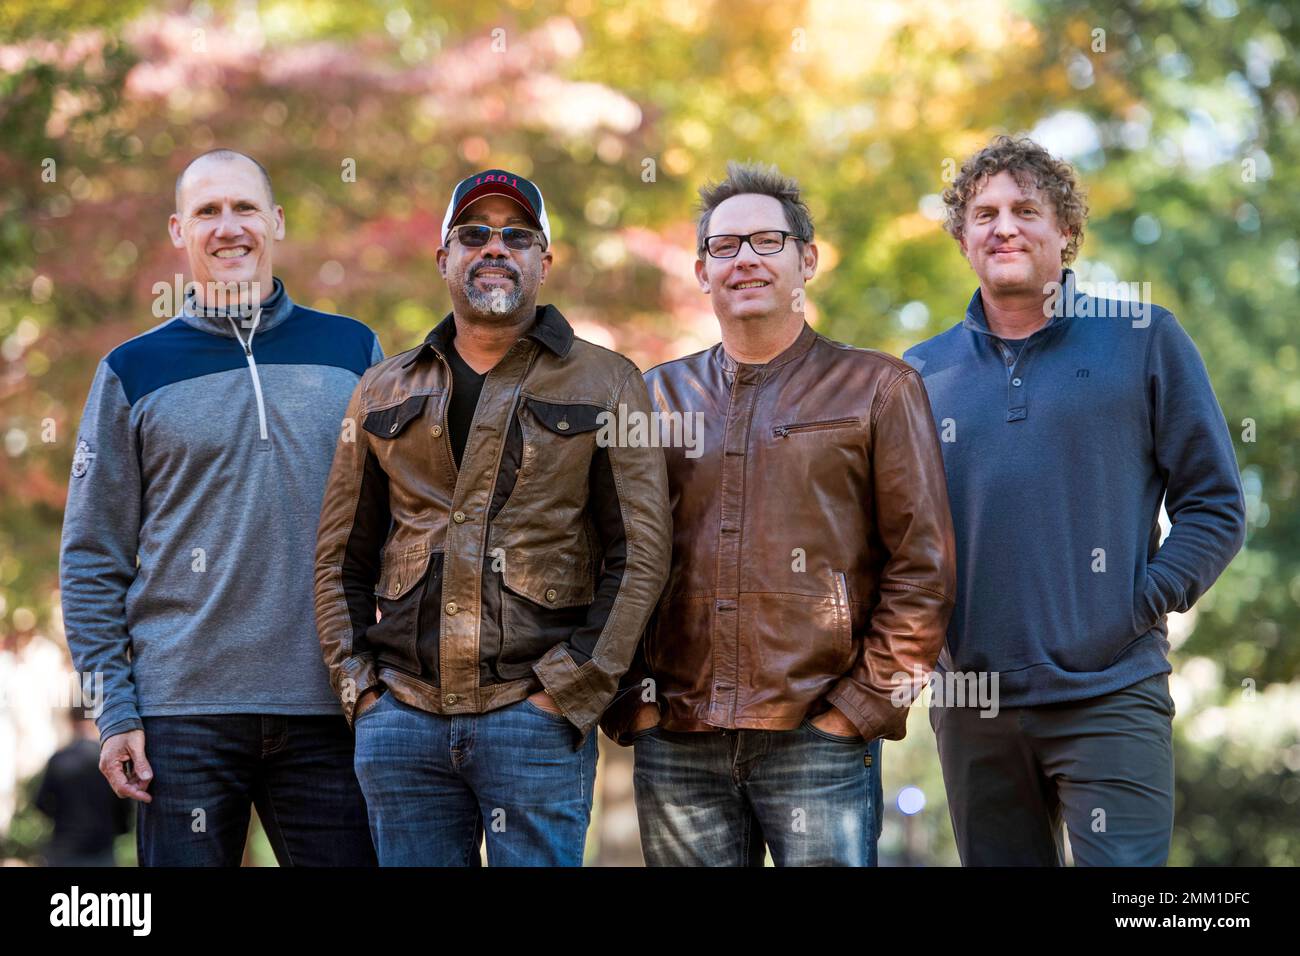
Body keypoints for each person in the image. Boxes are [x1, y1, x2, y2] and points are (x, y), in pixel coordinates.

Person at [601, 161, 956, 866]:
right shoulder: (652, 398)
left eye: (766, 241)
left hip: (818, 739)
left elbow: (923, 565)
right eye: (724, 248)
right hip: (676, 739)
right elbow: (610, 557)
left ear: (807, 260)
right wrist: (632, 702)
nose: (745, 260)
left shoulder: (879, 388)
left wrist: (856, 711)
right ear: (702, 273)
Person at [904, 135, 1247, 865]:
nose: (1004, 226)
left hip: (1111, 692)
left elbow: (1215, 504)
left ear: (1065, 231)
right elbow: (896, 536)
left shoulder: (1142, 338)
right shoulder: (919, 374)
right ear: (963, 239)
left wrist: (1135, 603)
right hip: (973, 705)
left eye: (1026, 209)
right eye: (985, 213)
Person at [316, 169, 671, 866]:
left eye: (517, 235)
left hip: (533, 717)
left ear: (544, 259)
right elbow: (340, 558)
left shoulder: (607, 381)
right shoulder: (382, 387)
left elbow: (642, 553)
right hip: (402, 719)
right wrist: (359, 688)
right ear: (443, 258)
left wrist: (571, 690)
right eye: (473, 234)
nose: (495, 248)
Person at [60, 149, 382, 866]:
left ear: (276, 222)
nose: (227, 226)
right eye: (207, 211)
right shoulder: (131, 370)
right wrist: (113, 711)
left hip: (334, 704)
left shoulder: (353, 350)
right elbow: (90, 557)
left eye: (243, 208)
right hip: (181, 714)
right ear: (180, 231)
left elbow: (397, 522)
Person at [35, 709, 130, 867]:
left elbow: (41, 803)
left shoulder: (59, 759)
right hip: (101, 847)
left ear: (71, 722)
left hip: (64, 846)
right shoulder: (108, 762)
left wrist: (61, 816)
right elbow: (123, 802)